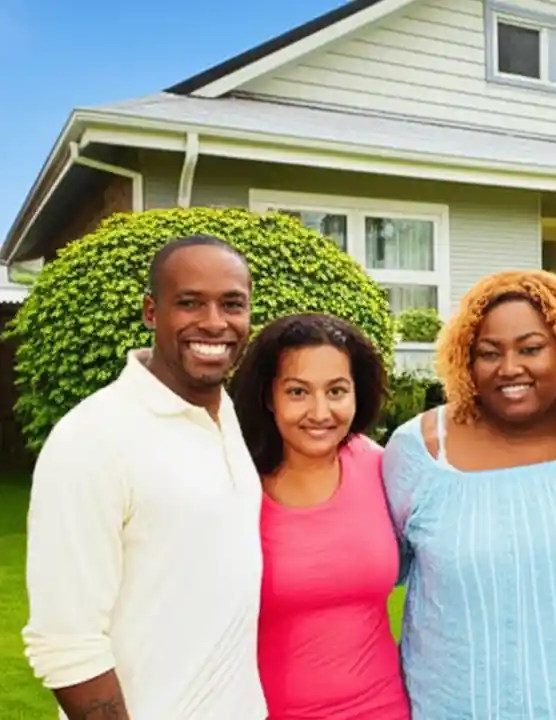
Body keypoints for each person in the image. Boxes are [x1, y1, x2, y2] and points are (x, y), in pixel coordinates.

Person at [381, 269, 556, 719]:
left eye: (531, 349)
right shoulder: (420, 452)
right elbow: (364, 582)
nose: (509, 368)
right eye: (488, 353)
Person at [21, 234, 267, 719]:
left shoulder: (228, 414)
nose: (215, 323)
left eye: (232, 304)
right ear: (151, 312)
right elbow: (66, 642)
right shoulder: (92, 438)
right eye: (190, 303)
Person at [228, 313, 409, 720]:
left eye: (337, 391)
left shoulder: (380, 466)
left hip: (383, 709)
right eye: (297, 391)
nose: (320, 411)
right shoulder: (233, 487)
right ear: (268, 397)